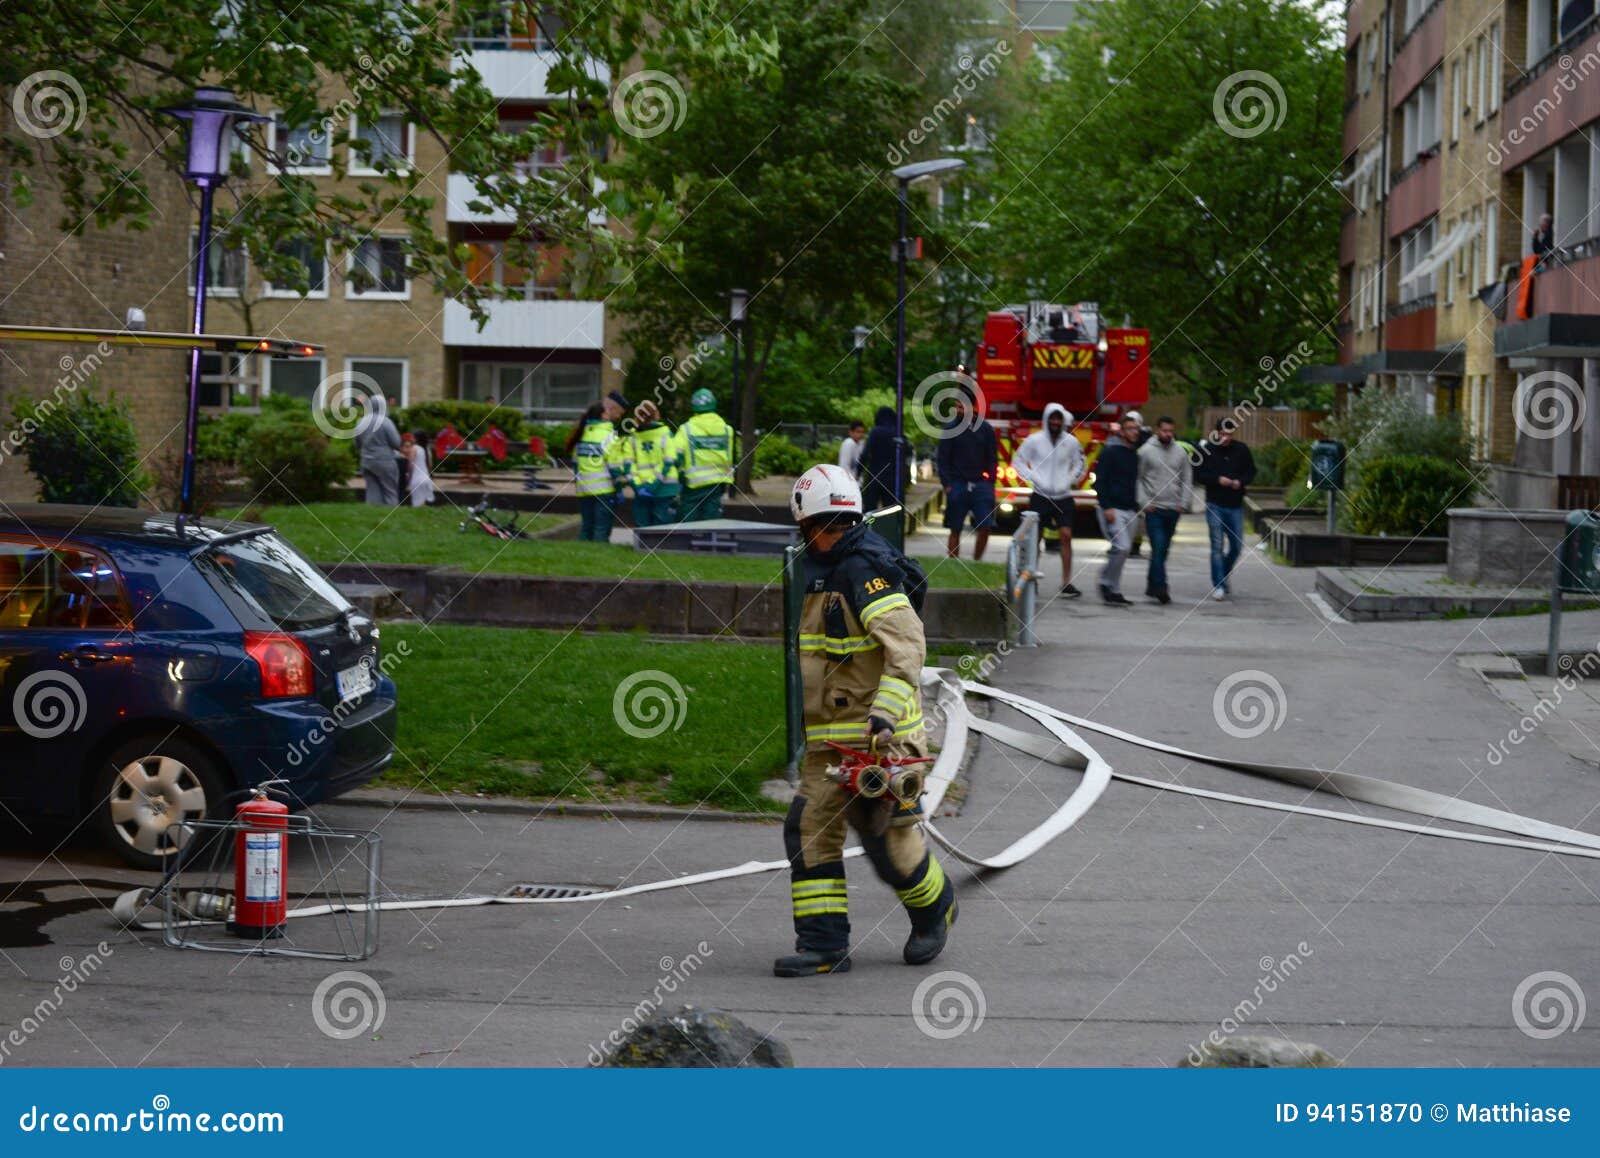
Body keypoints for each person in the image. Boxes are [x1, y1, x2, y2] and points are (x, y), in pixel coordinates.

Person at [777, 463, 956, 977]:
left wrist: (882, 716)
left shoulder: (864, 568)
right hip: (832, 745)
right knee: (808, 828)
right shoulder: (825, 567)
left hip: (883, 741)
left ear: (809, 521)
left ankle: (935, 908)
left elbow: (908, 648)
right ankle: (824, 947)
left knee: (888, 843)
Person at [1011, 402, 1086, 598]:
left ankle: (1066, 581)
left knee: (1066, 536)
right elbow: (1017, 461)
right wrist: (1033, 477)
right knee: (1035, 539)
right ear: (1046, 419)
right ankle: (1030, 578)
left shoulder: (1071, 442)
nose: (1055, 422)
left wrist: (1070, 480)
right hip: (1040, 496)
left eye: (1058, 419)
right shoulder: (1034, 440)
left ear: (1063, 421)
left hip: (1063, 497)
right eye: (1052, 418)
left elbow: (1080, 463)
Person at [1191, 422, 1256, 600]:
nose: (1226, 438)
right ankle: (1218, 584)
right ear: (1216, 433)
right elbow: (1198, 475)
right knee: (1217, 545)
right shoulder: (1208, 451)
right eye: (1222, 434)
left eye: (1230, 434)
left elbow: (1251, 472)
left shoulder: (1241, 450)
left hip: (1235, 503)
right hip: (1215, 504)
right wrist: (1218, 480)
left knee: (1236, 546)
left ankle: (1223, 574)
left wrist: (1240, 482)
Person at [936, 386, 999, 561]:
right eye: (957, 406)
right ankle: (954, 564)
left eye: (962, 407)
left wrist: (990, 482)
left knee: (985, 526)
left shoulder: (985, 429)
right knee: (955, 528)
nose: (958, 410)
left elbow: (992, 457)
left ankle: (977, 562)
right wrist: (947, 485)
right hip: (957, 484)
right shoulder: (950, 428)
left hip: (981, 484)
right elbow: (942, 459)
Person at [1136, 416, 1191, 605]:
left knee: (1163, 550)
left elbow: (1186, 478)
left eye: (1170, 431)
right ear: (1157, 431)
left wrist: (1183, 502)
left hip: (1173, 508)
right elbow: (1138, 478)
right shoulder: (1146, 452)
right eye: (1164, 431)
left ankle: (1152, 583)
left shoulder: (1180, 453)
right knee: (1158, 546)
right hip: (1154, 509)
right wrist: (1144, 502)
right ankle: (1161, 588)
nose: (1168, 434)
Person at [1094, 414, 1142, 606]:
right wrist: (1106, 506)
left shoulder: (1135, 455)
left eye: (1136, 429)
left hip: (1130, 509)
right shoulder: (1110, 452)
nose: (1135, 432)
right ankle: (1105, 581)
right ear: (1122, 432)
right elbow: (1100, 482)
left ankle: (1114, 588)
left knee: (1122, 550)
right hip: (1113, 508)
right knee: (1122, 547)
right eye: (1130, 428)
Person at [674, 388, 736, 522]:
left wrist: (679, 477)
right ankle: (710, 542)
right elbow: (729, 458)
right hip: (717, 483)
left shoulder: (686, 429)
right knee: (711, 520)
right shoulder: (727, 430)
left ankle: (687, 542)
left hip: (693, 484)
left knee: (687, 519)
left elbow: (676, 456)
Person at [571, 401, 628, 541]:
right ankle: (599, 554)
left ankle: (582, 553)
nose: (610, 414)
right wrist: (619, 488)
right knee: (601, 527)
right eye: (607, 411)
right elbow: (614, 467)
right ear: (603, 416)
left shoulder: (581, 435)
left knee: (587, 525)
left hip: (583, 489)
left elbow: (575, 464)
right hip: (604, 490)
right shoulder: (609, 437)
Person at [628, 399, 680, 527]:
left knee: (642, 524)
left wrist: (637, 486)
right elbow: (671, 461)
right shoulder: (667, 434)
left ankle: (642, 547)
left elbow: (628, 465)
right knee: (662, 528)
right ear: (656, 414)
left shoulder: (632, 437)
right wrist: (654, 484)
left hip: (641, 489)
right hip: (665, 488)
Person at [353, 400, 402, 506]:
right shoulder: (385, 421)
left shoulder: (360, 422)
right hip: (385, 461)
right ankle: (391, 515)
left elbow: (356, 444)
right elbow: (396, 443)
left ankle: (374, 514)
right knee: (390, 491)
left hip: (366, 461)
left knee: (372, 491)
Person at [858, 406, 899, 512]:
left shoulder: (875, 432)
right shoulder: (897, 433)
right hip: (892, 478)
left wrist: (858, 473)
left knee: (870, 509)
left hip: (874, 475)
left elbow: (865, 454)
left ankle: (870, 528)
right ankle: (886, 528)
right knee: (889, 510)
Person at [403, 430, 435, 507]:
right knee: (423, 504)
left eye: (412, 437)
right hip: (426, 479)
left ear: (416, 439)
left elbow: (411, 465)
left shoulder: (414, 448)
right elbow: (430, 466)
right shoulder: (424, 449)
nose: (410, 438)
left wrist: (408, 477)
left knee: (417, 505)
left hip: (417, 480)